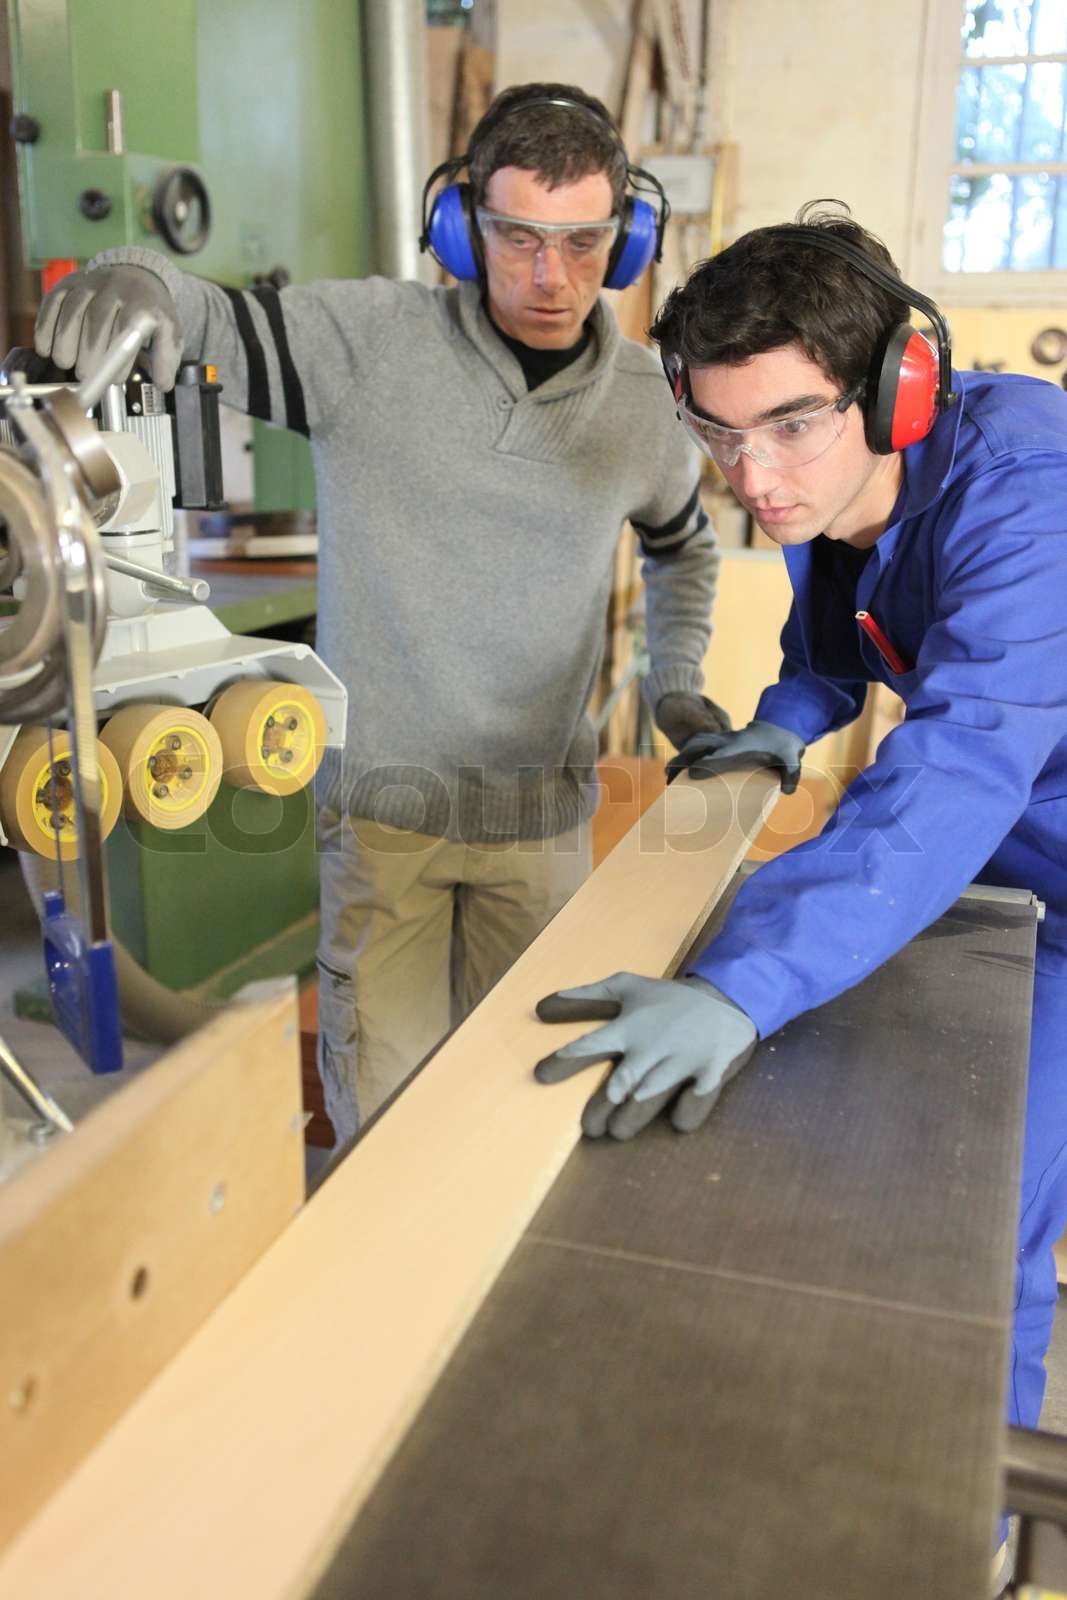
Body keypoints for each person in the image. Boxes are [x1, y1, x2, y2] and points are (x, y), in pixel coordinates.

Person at [33, 83, 725, 1141]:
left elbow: (684, 548)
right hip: (381, 817)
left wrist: (674, 683)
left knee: (530, 1106)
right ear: (460, 227)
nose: (551, 277)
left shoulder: (645, 403)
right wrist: (140, 277)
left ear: (626, 241)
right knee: (387, 1124)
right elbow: (210, 316)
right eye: (518, 237)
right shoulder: (364, 343)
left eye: (583, 243)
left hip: (539, 822)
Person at [533, 202, 1067, 1507]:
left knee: (977, 1204)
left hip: (1007, 842)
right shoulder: (852, 486)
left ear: (896, 388)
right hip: (1008, 858)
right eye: (717, 432)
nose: (751, 476)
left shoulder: (1027, 496)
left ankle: (965, 1527)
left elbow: (954, 767)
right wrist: (781, 724)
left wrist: (741, 984)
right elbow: (841, 632)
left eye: (785, 426)